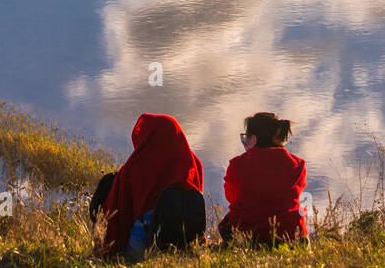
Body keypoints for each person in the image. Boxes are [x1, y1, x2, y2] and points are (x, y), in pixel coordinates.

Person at [91, 113, 204, 259]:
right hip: (185, 241)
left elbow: (118, 209)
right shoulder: (192, 163)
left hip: (141, 246)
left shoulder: (136, 166)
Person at [219, 111, 308, 245]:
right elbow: (296, 196)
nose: (244, 142)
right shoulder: (298, 164)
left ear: (254, 139)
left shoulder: (237, 164)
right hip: (291, 234)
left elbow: (231, 197)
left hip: (248, 234)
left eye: (245, 138)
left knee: (225, 226)